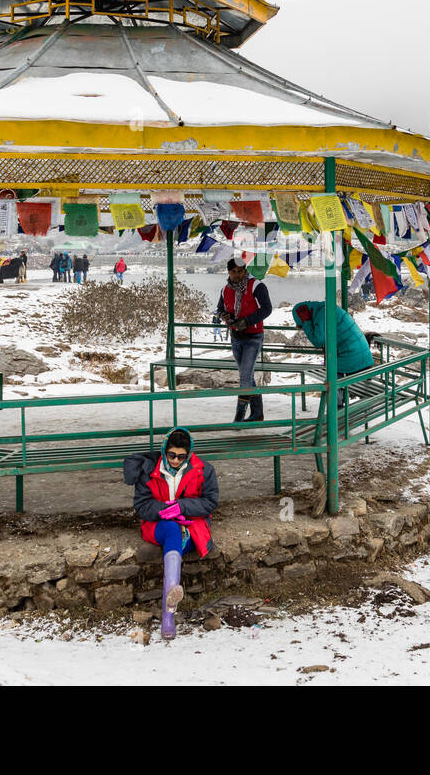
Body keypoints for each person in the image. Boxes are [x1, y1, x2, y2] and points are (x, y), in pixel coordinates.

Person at [123, 427, 219, 641]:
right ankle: (169, 611)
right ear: (164, 451)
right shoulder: (149, 470)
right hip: (158, 525)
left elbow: (211, 502)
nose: (176, 460)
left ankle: (169, 613)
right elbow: (141, 505)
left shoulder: (204, 470)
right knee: (172, 530)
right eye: (172, 455)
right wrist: (164, 511)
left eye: (182, 456)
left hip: (192, 525)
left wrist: (182, 507)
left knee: (177, 534)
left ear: (189, 454)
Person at [219, 257, 272, 422]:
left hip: (253, 337)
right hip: (236, 337)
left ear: (245, 271)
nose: (236, 275)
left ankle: (239, 417)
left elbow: (267, 308)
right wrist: (224, 316)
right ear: (228, 272)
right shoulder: (225, 289)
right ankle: (257, 413)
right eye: (233, 272)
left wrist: (247, 321)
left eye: (239, 271)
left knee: (244, 377)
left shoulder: (256, 286)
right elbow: (220, 308)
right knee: (247, 376)